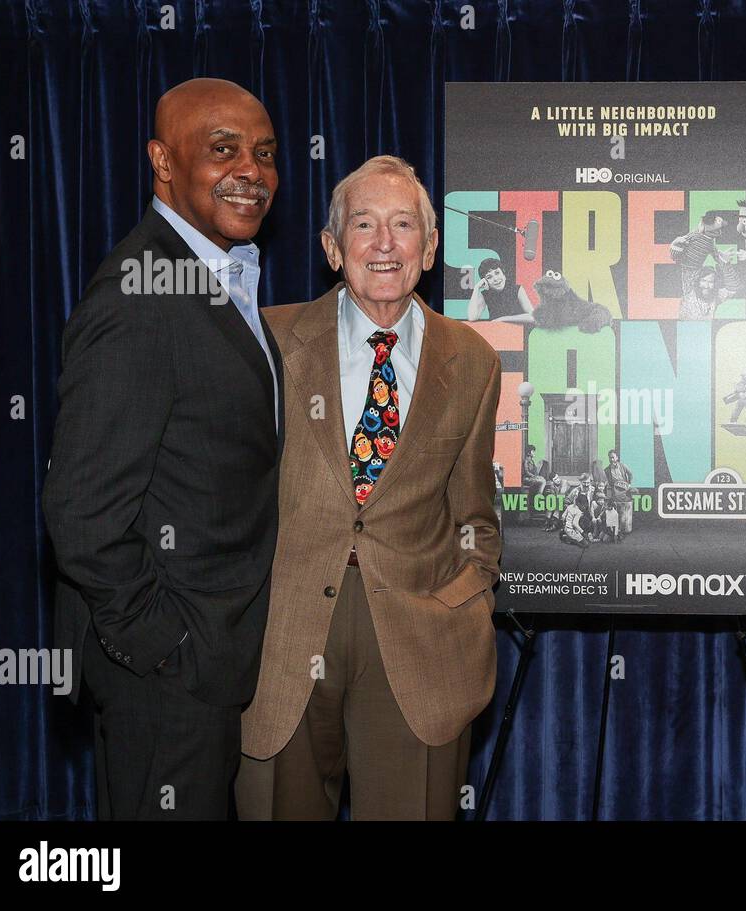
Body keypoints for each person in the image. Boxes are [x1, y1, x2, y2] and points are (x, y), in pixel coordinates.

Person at [42, 77, 281, 819]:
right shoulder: (137, 296)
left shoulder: (208, 274)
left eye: (266, 153)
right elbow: (81, 514)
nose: (252, 170)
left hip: (207, 667)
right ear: (162, 160)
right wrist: (167, 646)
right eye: (222, 150)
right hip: (168, 677)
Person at [235, 156, 502, 820]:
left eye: (403, 224)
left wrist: (460, 602)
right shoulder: (265, 339)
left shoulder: (471, 360)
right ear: (332, 248)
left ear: (430, 247)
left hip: (417, 641)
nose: (384, 243)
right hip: (280, 639)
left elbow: (475, 512)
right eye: (363, 224)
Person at [468, 256, 534, 322]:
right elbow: (472, 317)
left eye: (497, 273)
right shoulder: (486, 294)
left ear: (504, 274)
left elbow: (533, 316)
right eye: (489, 277)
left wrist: (503, 319)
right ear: (486, 282)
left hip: (517, 331)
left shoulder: (517, 289)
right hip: (496, 331)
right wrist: (476, 288)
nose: (495, 279)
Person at [603, 449, 634, 542]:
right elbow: (607, 481)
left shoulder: (623, 466)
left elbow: (630, 474)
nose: (611, 459)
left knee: (624, 510)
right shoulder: (607, 469)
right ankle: (616, 531)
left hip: (624, 490)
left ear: (617, 457)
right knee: (615, 511)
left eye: (613, 457)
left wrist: (629, 484)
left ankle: (624, 529)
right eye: (610, 458)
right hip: (615, 491)